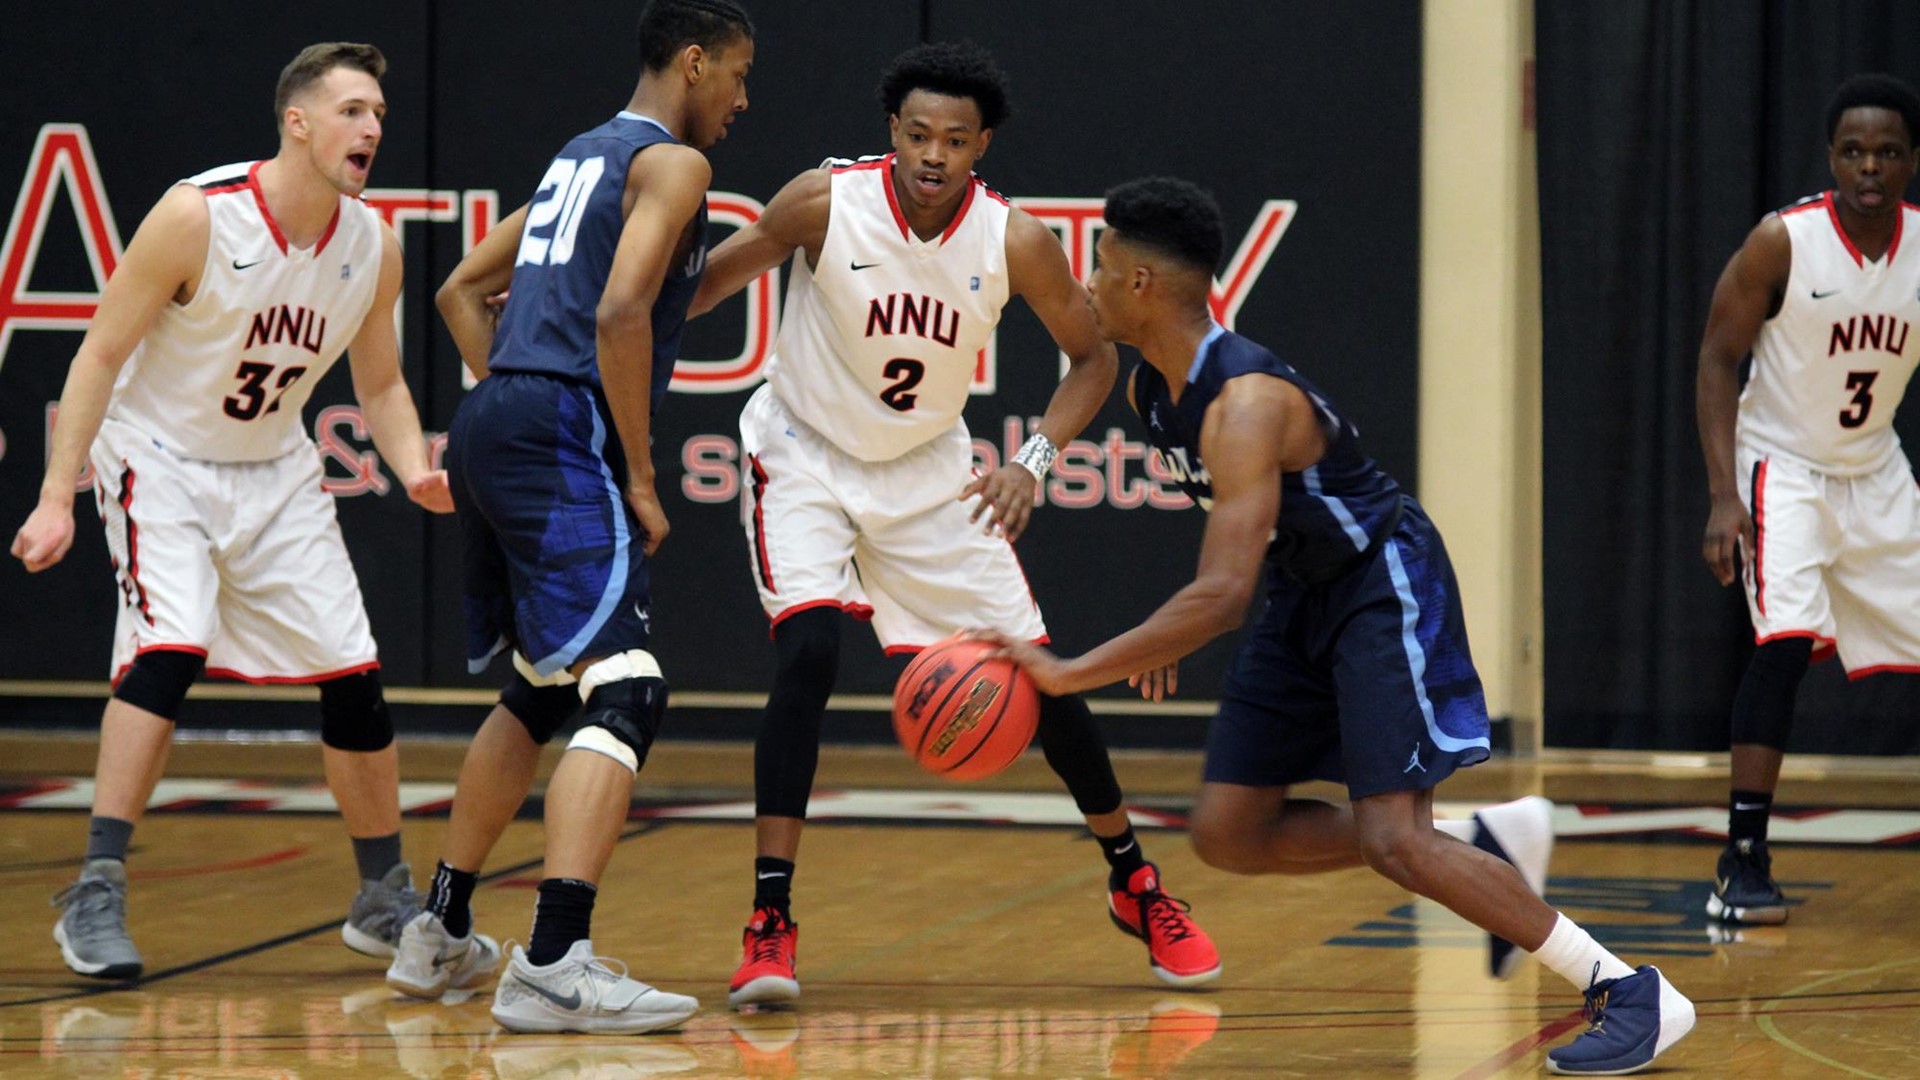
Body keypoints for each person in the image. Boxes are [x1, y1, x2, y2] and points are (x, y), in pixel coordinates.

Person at [984, 177, 1696, 1076]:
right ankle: (1479, 848)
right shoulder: (1150, 395)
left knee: (1395, 839)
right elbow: (1230, 554)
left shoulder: (1244, 402)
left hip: (1379, 583)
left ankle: (1627, 988)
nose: (1086, 280)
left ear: (1141, 286)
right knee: (1228, 833)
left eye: (1101, 262)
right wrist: (1173, 628)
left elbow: (1222, 596)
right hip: (1299, 594)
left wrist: (1077, 668)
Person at [685, 41, 1220, 1009]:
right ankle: (771, 917)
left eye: (957, 140)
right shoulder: (822, 201)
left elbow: (1092, 361)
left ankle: (1136, 883)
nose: (935, 154)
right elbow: (709, 284)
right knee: (806, 656)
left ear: (983, 147)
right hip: (803, 452)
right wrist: (596, 303)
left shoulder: (1012, 240)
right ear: (893, 131)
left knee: (1042, 676)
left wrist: (1033, 462)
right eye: (919, 133)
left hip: (931, 475)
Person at [8, 42, 450, 981]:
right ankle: (94, 887)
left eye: (378, 113)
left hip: (275, 468)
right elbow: (95, 356)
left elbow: (381, 384)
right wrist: (57, 497)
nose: (372, 128)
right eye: (352, 110)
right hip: (159, 457)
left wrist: (414, 467)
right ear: (298, 122)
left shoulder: (373, 245)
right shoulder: (195, 215)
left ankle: (382, 895)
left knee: (354, 673)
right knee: (170, 649)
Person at [386, 0, 754, 1036]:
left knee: (543, 686)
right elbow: (623, 312)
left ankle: (442, 931)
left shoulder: (580, 156)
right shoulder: (677, 167)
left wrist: (512, 394)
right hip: (559, 425)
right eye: (735, 74)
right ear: (693, 63)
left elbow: (463, 288)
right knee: (630, 691)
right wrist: (636, 470)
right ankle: (554, 960)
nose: (740, 98)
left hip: (498, 414)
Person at [1695, 74, 1920, 926]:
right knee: (1785, 642)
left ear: (1911, 162)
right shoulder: (1781, 242)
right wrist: (1724, 497)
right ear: (1832, 157)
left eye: (1889, 151)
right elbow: (1718, 359)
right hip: (1781, 465)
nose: (1871, 166)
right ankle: (1742, 856)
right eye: (1855, 151)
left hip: (1875, 469)